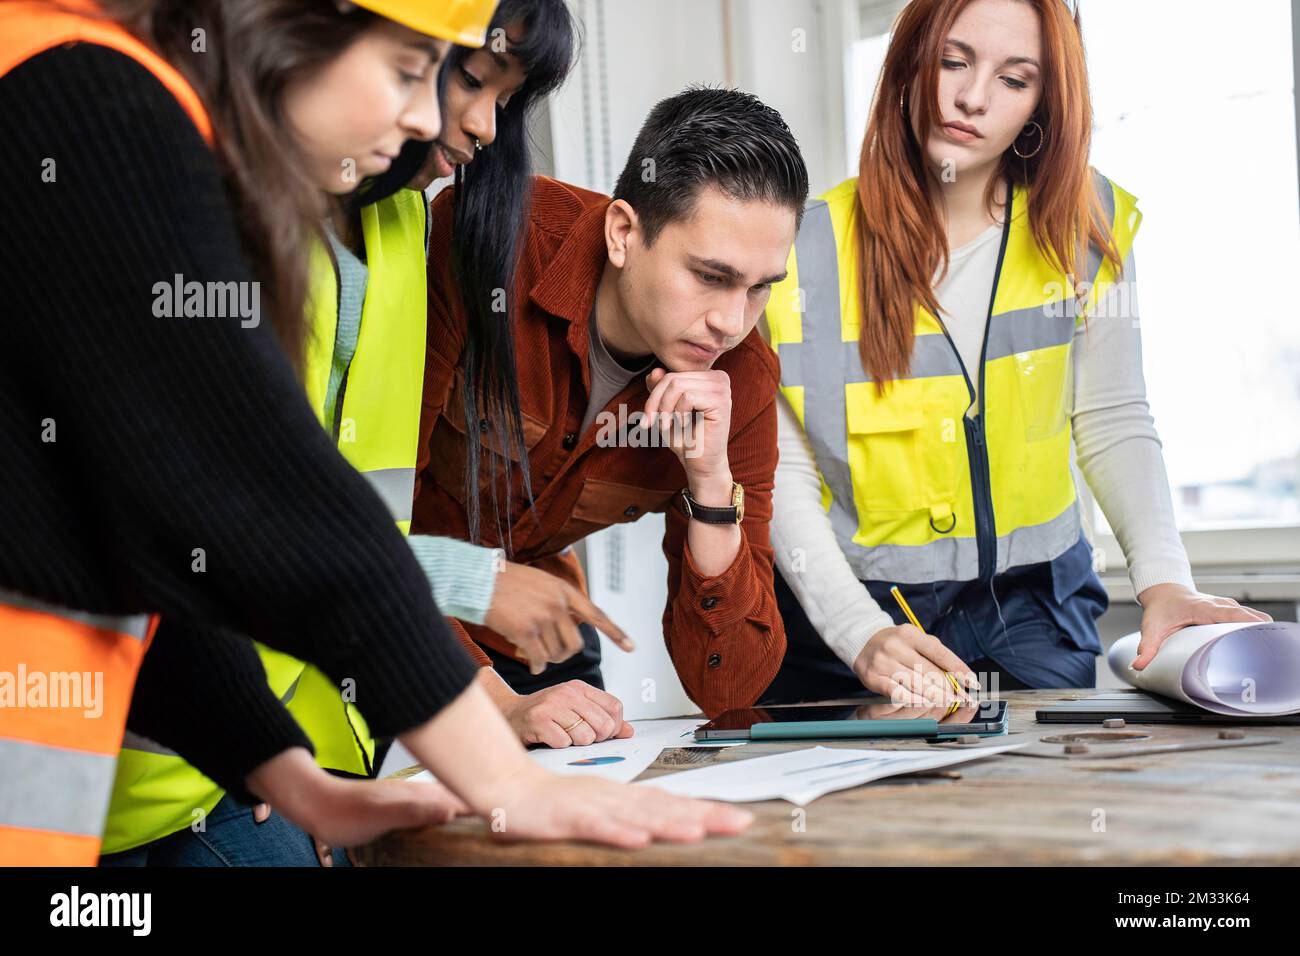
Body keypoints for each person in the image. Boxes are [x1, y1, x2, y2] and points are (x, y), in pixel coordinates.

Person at [0, 0, 750, 866]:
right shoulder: (93, 98)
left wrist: (291, 779)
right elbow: (260, 500)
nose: (432, 117)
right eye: (410, 68)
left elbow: (130, 539)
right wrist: (506, 782)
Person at [760, 0, 1270, 706]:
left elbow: (1114, 418)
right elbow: (778, 472)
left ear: (1043, 102)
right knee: (873, 813)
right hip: (858, 615)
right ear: (910, 60)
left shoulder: (1088, 226)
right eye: (953, 61)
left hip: (1036, 609)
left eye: (1014, 78)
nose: (972, 97)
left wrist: (1165, 581)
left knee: (1049, 803)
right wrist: (857, 631)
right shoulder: (799, 249)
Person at [414, 86, 810, 737]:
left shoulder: (740, 376)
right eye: (711, 276)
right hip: (384, 613)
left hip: (535, 638)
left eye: (761, 287)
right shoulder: (493, 241)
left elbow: (728, 688)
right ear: (624, 233)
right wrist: (494, 706)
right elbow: (363, 506)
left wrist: (710, 488)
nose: (731, 322)